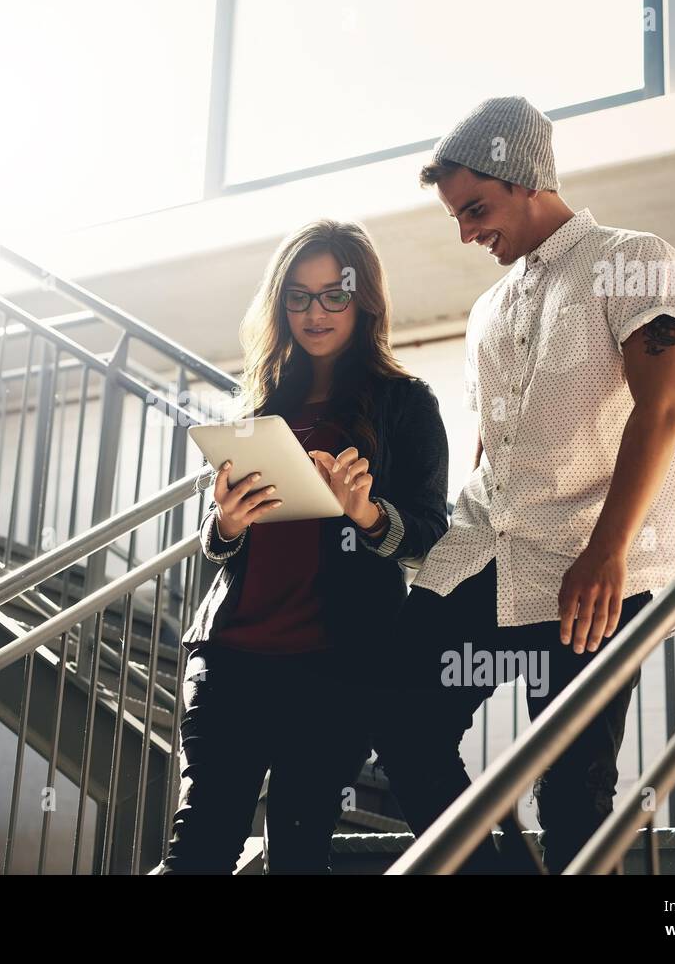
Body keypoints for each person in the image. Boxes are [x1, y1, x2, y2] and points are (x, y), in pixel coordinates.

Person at [371, 96, 675, 873]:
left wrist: (608, 551)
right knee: (401, 716)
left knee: (571, 795)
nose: (466, 232)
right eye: (455, 215)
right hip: (484, 555)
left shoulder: (635, 258)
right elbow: (494, 447)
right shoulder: (488, 308)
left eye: (476, 208)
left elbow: (665, 408)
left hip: (588, 573)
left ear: (527, 179)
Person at [158, 218, 450, 874]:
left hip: (336, 666)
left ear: (363, 300)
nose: (313, 312)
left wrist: (369, 513)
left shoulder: (406, 405)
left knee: (297, 847)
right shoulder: (264, 400)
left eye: (332, 295)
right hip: (231, 654)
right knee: (198, 846)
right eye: (297, 295)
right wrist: (225, 525)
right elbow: (225, 540)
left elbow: (431, 528)